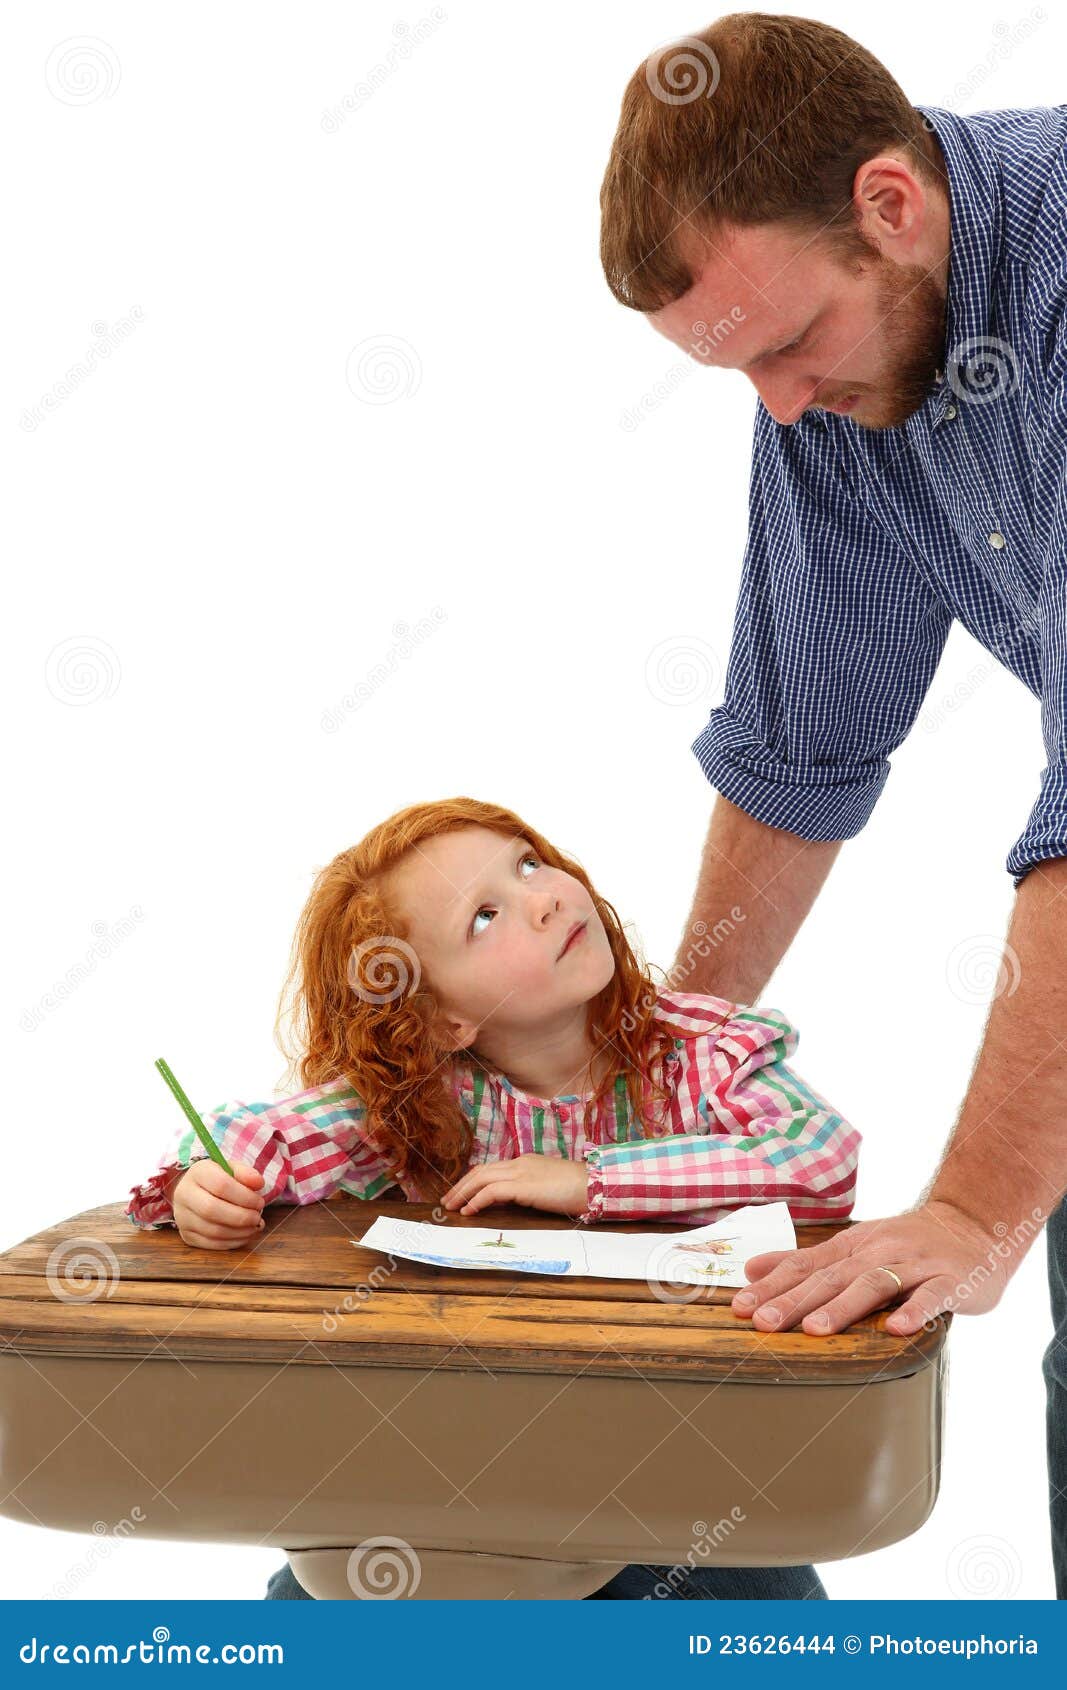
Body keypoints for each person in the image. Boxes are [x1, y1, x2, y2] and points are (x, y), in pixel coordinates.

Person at [599, 12, 1067, 1596]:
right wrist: (657, 1066)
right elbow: (801, 743)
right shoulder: (834, 384)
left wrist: (971, 1210)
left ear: (888, 204)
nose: (783, 407)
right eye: (737, 375)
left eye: (787, 348)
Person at [125, 794, 860, 1601]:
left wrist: (593, 1180)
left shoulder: (699, 1051)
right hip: (467, 1496)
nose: (542, 899)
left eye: (528, 863)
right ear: (442, 1018)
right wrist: (205, 1178)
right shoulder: (427, 1106)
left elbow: (821, 1157)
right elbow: (264, 1133)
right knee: (318, 1598)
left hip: (684, 1492)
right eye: (484, 916)